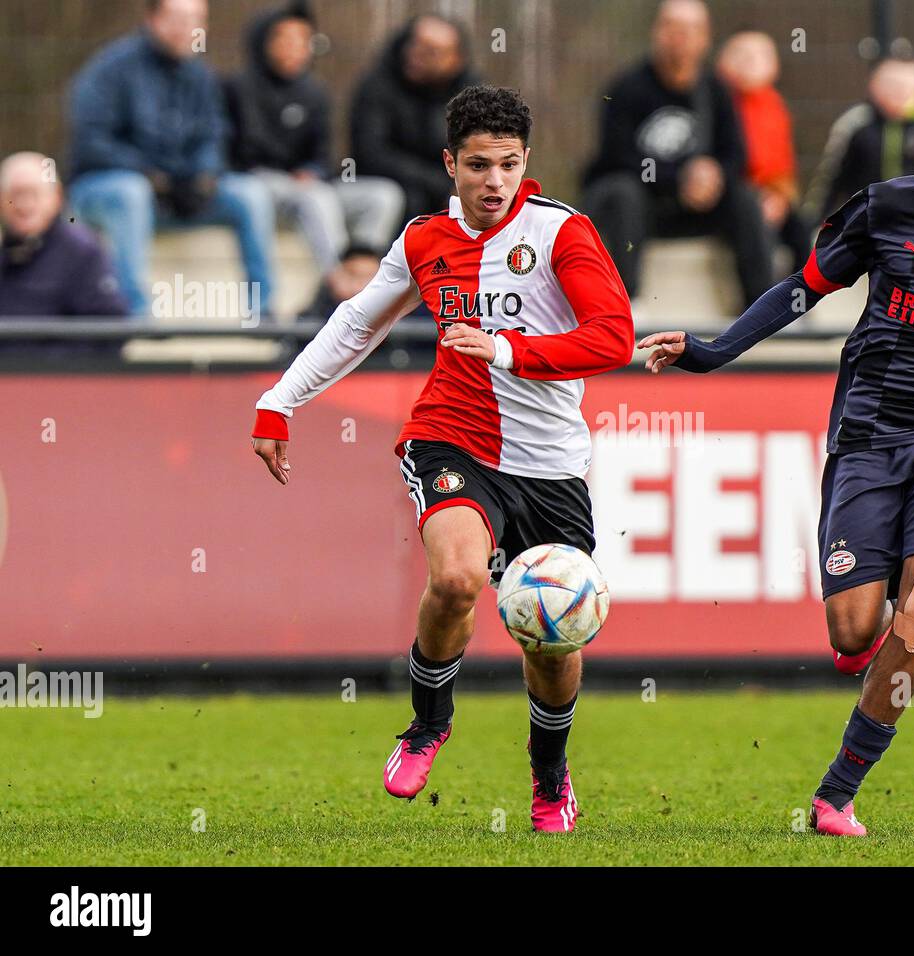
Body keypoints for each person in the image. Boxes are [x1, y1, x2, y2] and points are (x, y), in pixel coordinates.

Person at [639, 49, 914, 836]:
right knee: (853, 633)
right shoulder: (887, 207)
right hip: (871, 436)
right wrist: (713, 350)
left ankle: (835, 794)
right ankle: (871, 657)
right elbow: (800, 288)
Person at [249, 85, 635, 832]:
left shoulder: (563, 233)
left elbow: (613, 338)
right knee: (457, 579)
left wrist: (505, 348)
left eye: (511, 165)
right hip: (451, 434)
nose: (496, 182)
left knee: (553, 637)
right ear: (450, 163)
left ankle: (550, 777)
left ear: (528, 163)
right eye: (480, 165)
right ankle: (427, 724)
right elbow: (357, 322)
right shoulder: (425, 239)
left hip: (551, 465)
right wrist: (280, 399)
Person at [66, 0, 276, 318]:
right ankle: (134, 316)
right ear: (152, 19)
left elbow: (214, 135)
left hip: (179, 194)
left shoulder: (201, 76)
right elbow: (91, 141)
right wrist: (149, 174)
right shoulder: (110, 69)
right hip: (106, 191)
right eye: (177, 19)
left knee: (251, 195)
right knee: (131, 192)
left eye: (195, 20)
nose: (187, 29)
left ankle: (264, 312)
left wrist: (203, 177)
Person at [582, 0, 775, 307]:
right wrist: (677, 179)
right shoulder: (626, 87)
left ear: (705, 38)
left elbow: (736, 155)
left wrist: (714, 176)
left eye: (690, 29)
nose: (680, 37)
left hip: (699, 207)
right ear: (656, 32)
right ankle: (625, 304)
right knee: (623, 193)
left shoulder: (717, 91)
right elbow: (616, 156)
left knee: (745, 198)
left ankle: (763, 305)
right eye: (671, 27)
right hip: (644, 208)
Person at [225, 1, 404, 271]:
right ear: (264, 41)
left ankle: (364, 276)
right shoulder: (238, 87)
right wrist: (297, 177)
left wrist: (312, 170)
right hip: (258, 182)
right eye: (286, 39)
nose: (295, 48)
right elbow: (242, 150)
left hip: (310, 183)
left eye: (303, 40)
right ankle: (337, 286)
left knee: (384, 195)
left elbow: (323, 153)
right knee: (315, 197)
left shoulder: (315, 92)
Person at [350, 15, 480, 226]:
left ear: (455, 60)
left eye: (431, 51)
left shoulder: (471, 94)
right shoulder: (377, 86)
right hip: (393, 186)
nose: (416, 54)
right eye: (413, 43)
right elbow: (371, 154)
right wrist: (437, 183)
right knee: (410, 200)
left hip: (452, 183)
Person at [803, 56, 914, 225]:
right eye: (893, 85)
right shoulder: (856, 122)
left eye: (910, 87)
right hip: (864, 220)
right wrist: (814, 221)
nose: (901, 93)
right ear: (873, 85)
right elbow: (831, 177)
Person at [716, 29, 810, 267]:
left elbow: (783, 160)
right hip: (739, 197)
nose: (749, 61)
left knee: (802, 232)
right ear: (721, 64)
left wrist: (780, 197)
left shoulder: (776, 107)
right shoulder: (720, 103)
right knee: (757, 237)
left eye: (759, 55)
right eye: (739, 54)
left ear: (775, 65)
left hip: (775, 193)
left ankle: (801, 298)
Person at [0, 152, 127, 318]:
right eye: (15, 194)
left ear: (56, 197)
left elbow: (109, 328)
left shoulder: (83, 252)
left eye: (34, 194)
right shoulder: (7, 253)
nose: (24, 204)